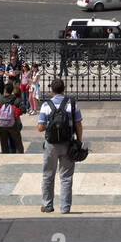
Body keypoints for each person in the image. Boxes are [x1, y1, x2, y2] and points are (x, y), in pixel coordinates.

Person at [37, 79, 83, 214]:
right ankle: (65, 207)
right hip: (68, 143)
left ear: (51, 90)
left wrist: (49, 125)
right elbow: (78, 125)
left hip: (51, 144)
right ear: (64, 89)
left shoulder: (46, 105)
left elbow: (40, 127)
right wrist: (79, 141)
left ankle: (47, 205)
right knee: (66, 176)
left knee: (47, 175)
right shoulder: (72, 104)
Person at [0, 85, 25, 154]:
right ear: (12, 91)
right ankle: (20, 155)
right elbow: (23, 110)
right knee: (18, 142)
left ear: (5, 90)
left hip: (2, 124)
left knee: (4, 143)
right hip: (13, 123)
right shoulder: (16, 99)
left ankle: (5, 156)